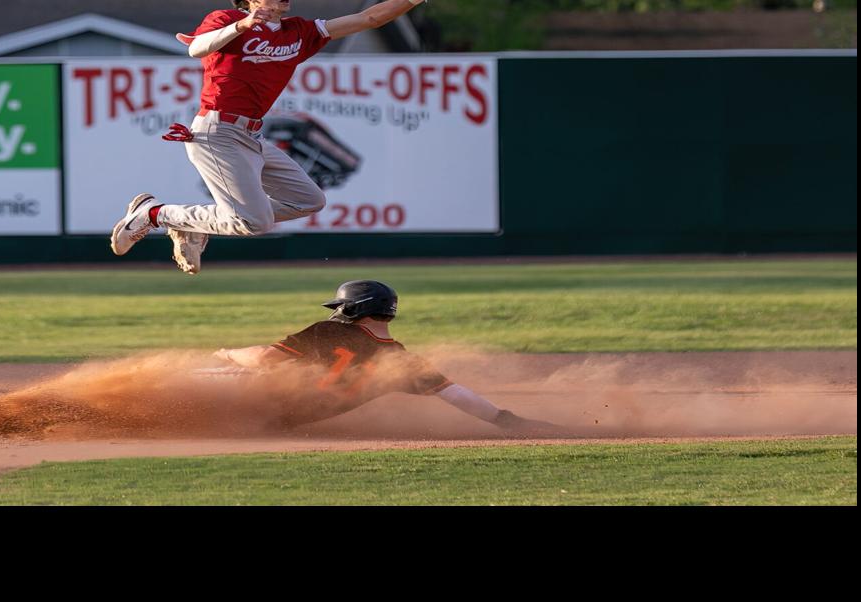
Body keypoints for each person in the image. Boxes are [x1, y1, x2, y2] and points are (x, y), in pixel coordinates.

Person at [110, 0, 428, 274]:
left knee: (309, 200)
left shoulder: (299, 32)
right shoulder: (228, 19)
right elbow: (196, 48)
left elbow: (369, 18)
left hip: (252, 137)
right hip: (216, 133)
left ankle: (191, 224)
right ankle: (154, 213)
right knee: (255, 223)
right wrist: (242, 26)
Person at [205, 280, 558, 432]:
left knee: (191, 379)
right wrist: (504, 419)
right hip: (281, 422)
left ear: (353, 309)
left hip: (251, 401)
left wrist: (228, 353)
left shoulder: (331, 332)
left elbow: (265, 359)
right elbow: (459, 396)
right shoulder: (402, 362)